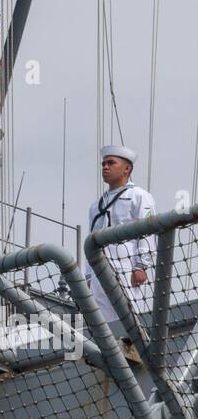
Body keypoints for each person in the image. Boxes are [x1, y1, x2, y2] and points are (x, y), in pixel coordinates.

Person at [85, 145, 156, 356]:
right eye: (103, 164)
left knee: (127, 308)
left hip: (126, 264)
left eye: (111, 163)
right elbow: (91, 239)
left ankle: (131, 345)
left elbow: (147, 231)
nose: (105, 167)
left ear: (127, 169)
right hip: (100, 267)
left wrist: (142, 265)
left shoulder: (139, 196)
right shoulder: (96, 205)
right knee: (100, 311)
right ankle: (107, 348)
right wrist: (88, 274)